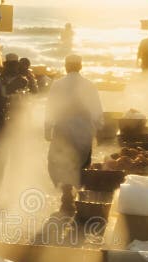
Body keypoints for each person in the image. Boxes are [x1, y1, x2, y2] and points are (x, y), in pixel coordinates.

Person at [44, 55, 103, 215]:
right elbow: (96, 110)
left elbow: (51, 108)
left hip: (62, 130)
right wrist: (99, 128)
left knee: (62, 162)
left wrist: (47, 128)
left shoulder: (58, 85)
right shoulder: (89, 85)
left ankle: (67, 197)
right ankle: (78, 198)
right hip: (84, 130)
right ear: (80, 66)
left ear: (66, 66)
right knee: (82, 162)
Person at [0, 53, 29, 209]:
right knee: (16, 159)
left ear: (4, 64)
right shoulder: (24, 81)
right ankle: (12, 195)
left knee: (0, 161)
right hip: (18, 127)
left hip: (0, 125)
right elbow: (28, 105)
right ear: (17, 65)